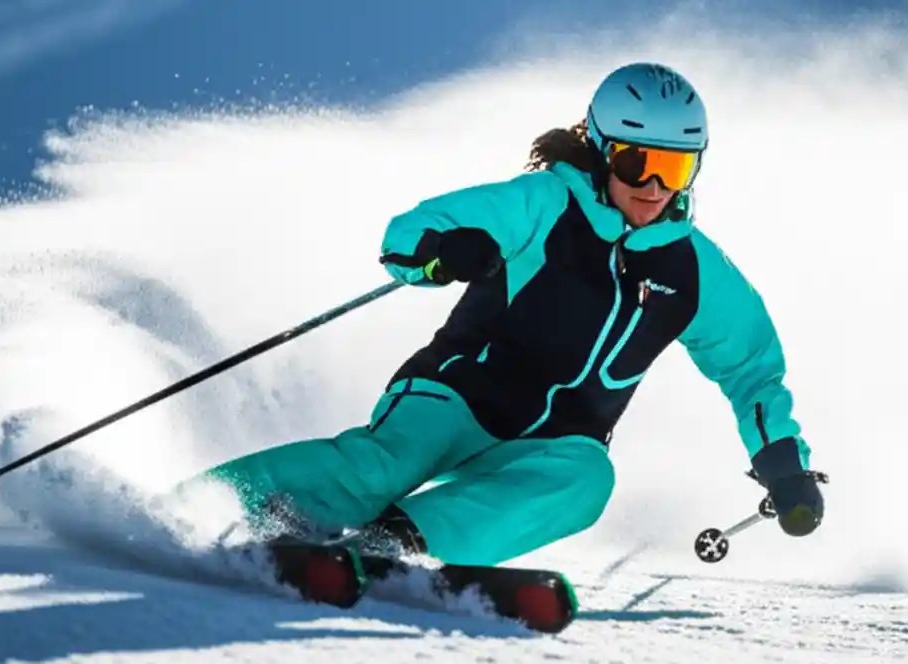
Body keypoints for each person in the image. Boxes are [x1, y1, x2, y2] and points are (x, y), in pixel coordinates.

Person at [203, 62, 825, 566]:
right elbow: (409, 233)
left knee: (587, 480)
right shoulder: (546, 201)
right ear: (605, 150)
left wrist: (783, 465)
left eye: (676, 168)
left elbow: (753, 371)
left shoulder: (693, 271)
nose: (655, 187)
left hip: (553, 442)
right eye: (640, 163)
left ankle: (393, 549)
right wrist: (441, 252)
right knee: (383, 464)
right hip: (456, 394)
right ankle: (210, 509)